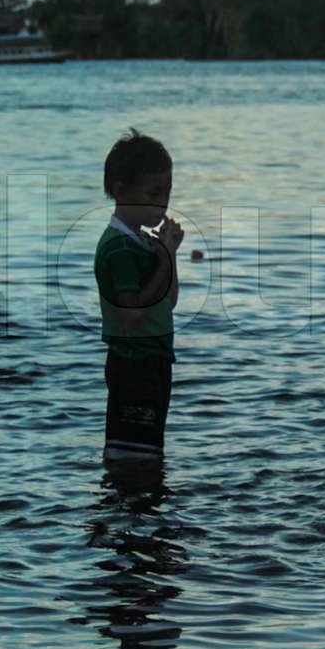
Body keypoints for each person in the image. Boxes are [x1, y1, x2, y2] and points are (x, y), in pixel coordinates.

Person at [96, 128, 183, 462]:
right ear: (121, 190)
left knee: (148, 453)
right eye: (153, 194)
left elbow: (168, 301)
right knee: (133, 457)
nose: (162, 203)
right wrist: (164, 257)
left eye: (167, 193)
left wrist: (169, 254)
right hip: (134, 365)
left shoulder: (141, 242)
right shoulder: (120, 248)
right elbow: (132, 312)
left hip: (153, 362)